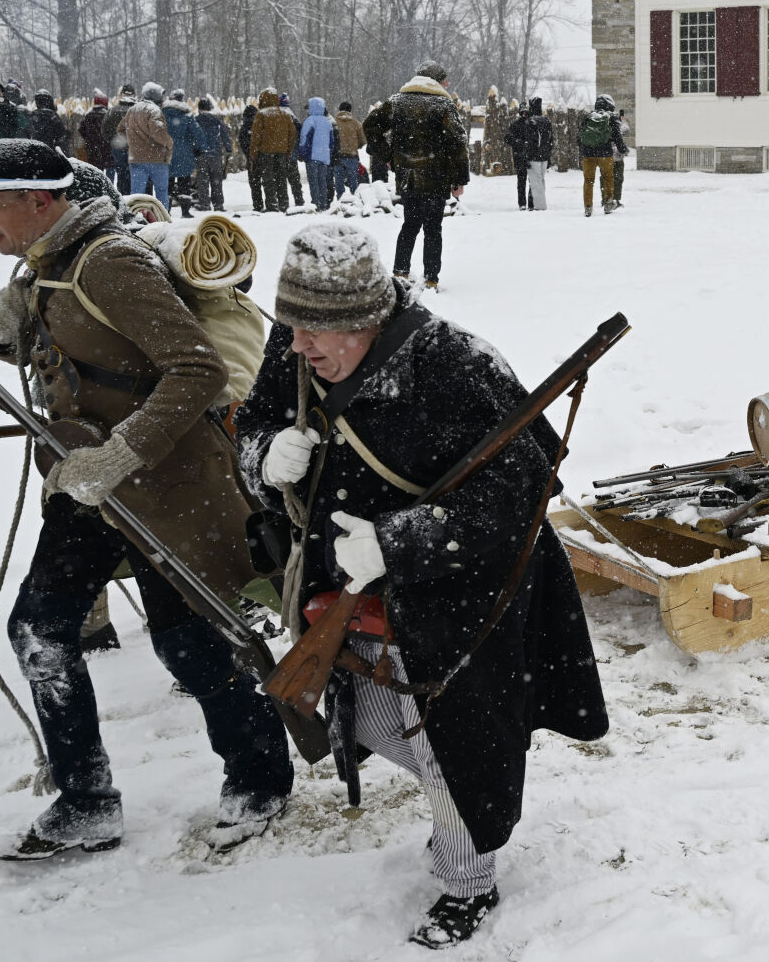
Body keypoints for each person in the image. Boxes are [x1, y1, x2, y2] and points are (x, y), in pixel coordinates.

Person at [234, 222, 607, 948]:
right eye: (292, 327)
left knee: (451, 740)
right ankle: (467, 785)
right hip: (345, 595)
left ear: (367, 320)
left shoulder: (455, 364)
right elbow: (255, 418)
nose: (298, 347)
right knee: (376, 722)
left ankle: (468, 877)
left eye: (318, 332)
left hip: (460, 595)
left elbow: (523, 491)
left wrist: (398, 543)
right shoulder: (297, 345)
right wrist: (262, 454)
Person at [0, 139, 293, 858]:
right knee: (38, 629)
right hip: (87, 481)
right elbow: (78, 352)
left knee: (190, 644)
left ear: (41, 200)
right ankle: (86, 799)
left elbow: (195, 368)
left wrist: (122, 452)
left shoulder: (111, 262)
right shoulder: (50, 264)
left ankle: (260, 778)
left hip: (162, 483)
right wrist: (11, 324)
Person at [379, 61, 469, 286]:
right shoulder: (443, 104)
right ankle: (430, 279)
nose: (447, 84)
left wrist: (389, 155)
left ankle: (400, 272)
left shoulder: (397, 102)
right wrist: (459, 178)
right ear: (435, 80)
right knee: (433, 229)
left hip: (409, 177)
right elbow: (457, 142)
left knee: (410, 225)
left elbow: (371, 128)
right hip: (436, 177)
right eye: (444, 80)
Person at [248, 89, 299, 213]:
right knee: (281, 179)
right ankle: (284, 204)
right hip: (281, 152)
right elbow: (292, 134)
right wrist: (288, 151)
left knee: (268, 179)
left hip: (265, 153)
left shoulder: (261, 114)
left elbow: (256, 136)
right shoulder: (285, 114)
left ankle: (272, 205)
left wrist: (253, 154)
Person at [125, 81, 173, 207]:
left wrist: (134, 142)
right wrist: (170, 143)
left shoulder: (132, 109)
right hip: (156, 158)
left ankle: (134, 216)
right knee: (161, 191)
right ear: (155, 96)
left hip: (136, 158)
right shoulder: (154, 110)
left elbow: (120, 130)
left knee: (136, 194)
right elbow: (158, 133)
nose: (163, 99)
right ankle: (163, 219)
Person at [577, 94, 626, 216]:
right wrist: (622, 148)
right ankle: (608, 204)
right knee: (608, 178)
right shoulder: (611, 117)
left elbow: (579, 138)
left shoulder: (589, 117)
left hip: (588, 155)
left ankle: (588, 207)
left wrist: (585, 149)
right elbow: (617, 136)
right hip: (605, 154)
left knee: (588, 181)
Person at [163, 89, 202, 217]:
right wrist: (200, 147)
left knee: (167, 183)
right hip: (185, 153)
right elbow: (197, 133)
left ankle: (165, 210)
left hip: (166, 152)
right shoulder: (187, 115)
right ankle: (185, 211)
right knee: (184, 183)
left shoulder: (162, 113)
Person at [298, 97, 339, 211]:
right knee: (323, 181)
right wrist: (328, 153)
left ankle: (315, 204)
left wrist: (302, 154)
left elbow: (304, 139)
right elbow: (331, 142)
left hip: (312, 156)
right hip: (324, 157)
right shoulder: (327, 122)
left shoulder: (310, 121)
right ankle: (324, 203)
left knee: (313, 181)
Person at [193, 97, 234, 212]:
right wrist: (228, 149)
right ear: (209, 108)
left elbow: (191, 137)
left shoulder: (195, 121)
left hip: (201, 155)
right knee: (216, 181)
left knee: (203, 182)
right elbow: (225, 136)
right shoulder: (217, 121)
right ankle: (218, 204)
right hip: (215, 155)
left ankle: (205, 205)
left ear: (199, 108)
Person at [516, 97, 553, 211]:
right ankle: (540, 203)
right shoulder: (547, 121)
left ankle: (539, 206)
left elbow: (528, 142)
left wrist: (526, 156)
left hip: (533, 156)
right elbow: (551, 140)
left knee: (535, 181)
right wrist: (547, 153)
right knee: (541, 179)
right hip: (544, 156)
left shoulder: (530, 122)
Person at [102, 85, 136, 194]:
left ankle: (123, 198)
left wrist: (113, 140)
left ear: (121, 95)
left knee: (121, 176)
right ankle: (134, 198)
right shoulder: (139, 111)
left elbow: (104, 130)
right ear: (134, 95)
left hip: (118, 148)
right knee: (135, 177)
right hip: (136, 149)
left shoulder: (113, 110)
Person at [333, 101, 365, 199]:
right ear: (350, 110)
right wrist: (355, 146)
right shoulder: (356, 123)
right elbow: (363, 140)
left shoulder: (334, 122)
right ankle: (355, 200)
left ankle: (340, 200)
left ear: (339, 110)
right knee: (353, 181)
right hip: (352, 156)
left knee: (339, 181)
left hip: (338, 156)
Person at [76, 92, 110, 168]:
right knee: (109, 174)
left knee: (96, 172)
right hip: (107, 150)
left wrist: (89, 139)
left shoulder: (89, 116)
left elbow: (81, 130)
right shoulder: (108, 115)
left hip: (92, 150)